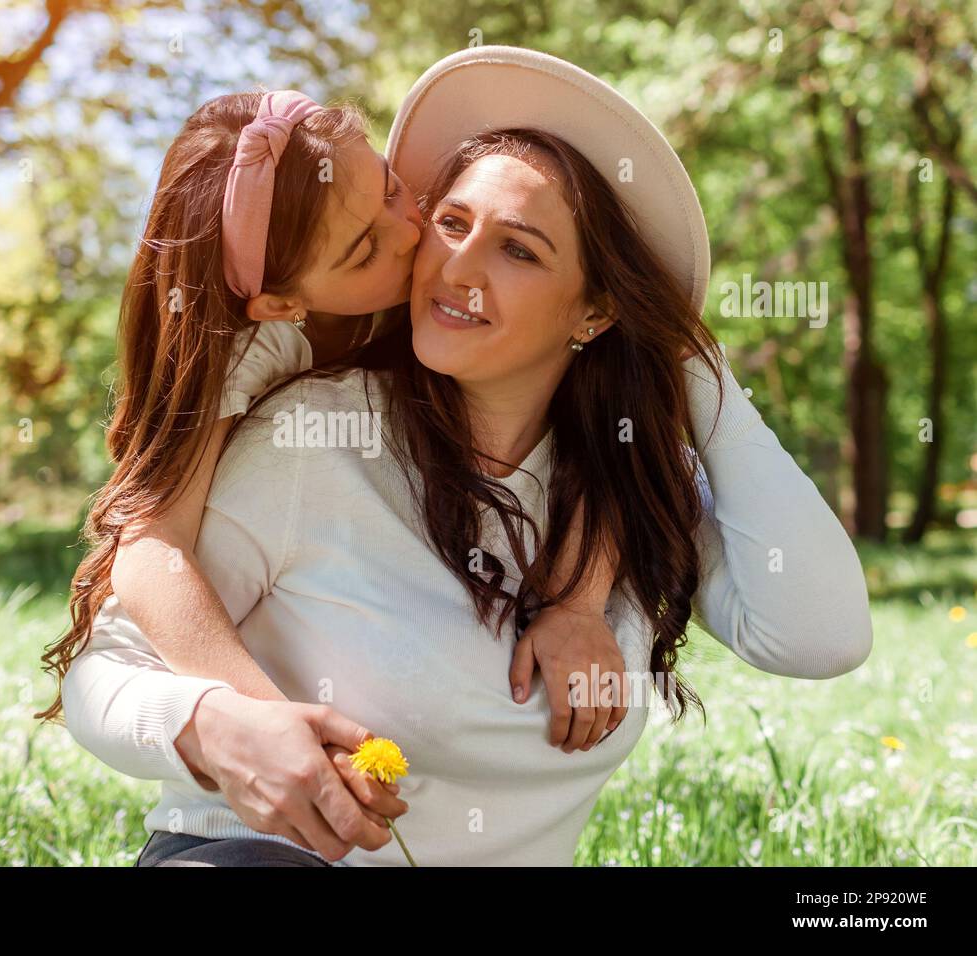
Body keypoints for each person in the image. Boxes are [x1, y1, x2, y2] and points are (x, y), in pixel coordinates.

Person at [58, 47, 873, 867]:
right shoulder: (308, 434)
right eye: (451, 222)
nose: (454, 265)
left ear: (594, 312)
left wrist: (689, 364)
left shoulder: (627, 491)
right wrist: (220, 725)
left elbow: (822, 637)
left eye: (519, 250)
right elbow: (108, 651)